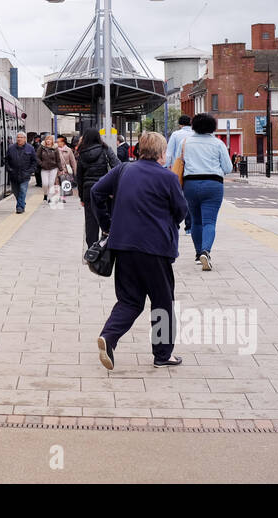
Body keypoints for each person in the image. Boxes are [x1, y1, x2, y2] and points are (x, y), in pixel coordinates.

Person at [91, 131, 188, 369]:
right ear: (162, 153)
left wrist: (107, 225)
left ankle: (109, 337)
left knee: (129, 300)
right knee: (162, 302)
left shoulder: (123, 170)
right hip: (155, 249)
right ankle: (163, 355)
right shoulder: (168, 178)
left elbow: (96, 192)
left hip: (123, 246)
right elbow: (182, 211)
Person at [180, 112, 235, 271]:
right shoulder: (218, 144)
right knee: (209, 222)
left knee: (196, 220)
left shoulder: (186, 142)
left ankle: (198, 254)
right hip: (213, 184)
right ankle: (206, 251)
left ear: (194, 126)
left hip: (190, 184)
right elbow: (227, 168)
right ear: (212, 127)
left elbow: (180, 161)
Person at [76, 130, 119, 247]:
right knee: (106, 218)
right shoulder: (105, 150)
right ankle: (105, 247)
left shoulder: (81, 153)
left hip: (88, 190)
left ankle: (92, 249)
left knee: (90, 222)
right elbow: (117, 166)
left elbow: (79, 177)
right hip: (104, 189)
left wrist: (81, 196)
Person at [5, 131, 37, 213]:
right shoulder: (11, 148)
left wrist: (30, 171)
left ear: (25, 139)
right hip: (13, 174)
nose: (19, 139)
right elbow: (6, 160)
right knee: (16, 192)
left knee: (22, 190)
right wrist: (9, 169)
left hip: (25, 174)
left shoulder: (30, 148)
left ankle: (20, 207)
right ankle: (22, 202)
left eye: (21, 137)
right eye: (18, 137)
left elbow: (34, 161)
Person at [37, 134, 62, 208]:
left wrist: (61, 169)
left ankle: (50, 198)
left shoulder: (55, 148)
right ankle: (45, 194)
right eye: (47, 139)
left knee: (51, 183)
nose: (48, 141)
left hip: (53, 168)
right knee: (45, 183)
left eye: (50, 139)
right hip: (44, 168)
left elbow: (58, 159)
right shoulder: (41, 147)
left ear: (52, 141)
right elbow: (37, 157)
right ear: (45, 140)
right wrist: (41, 164)